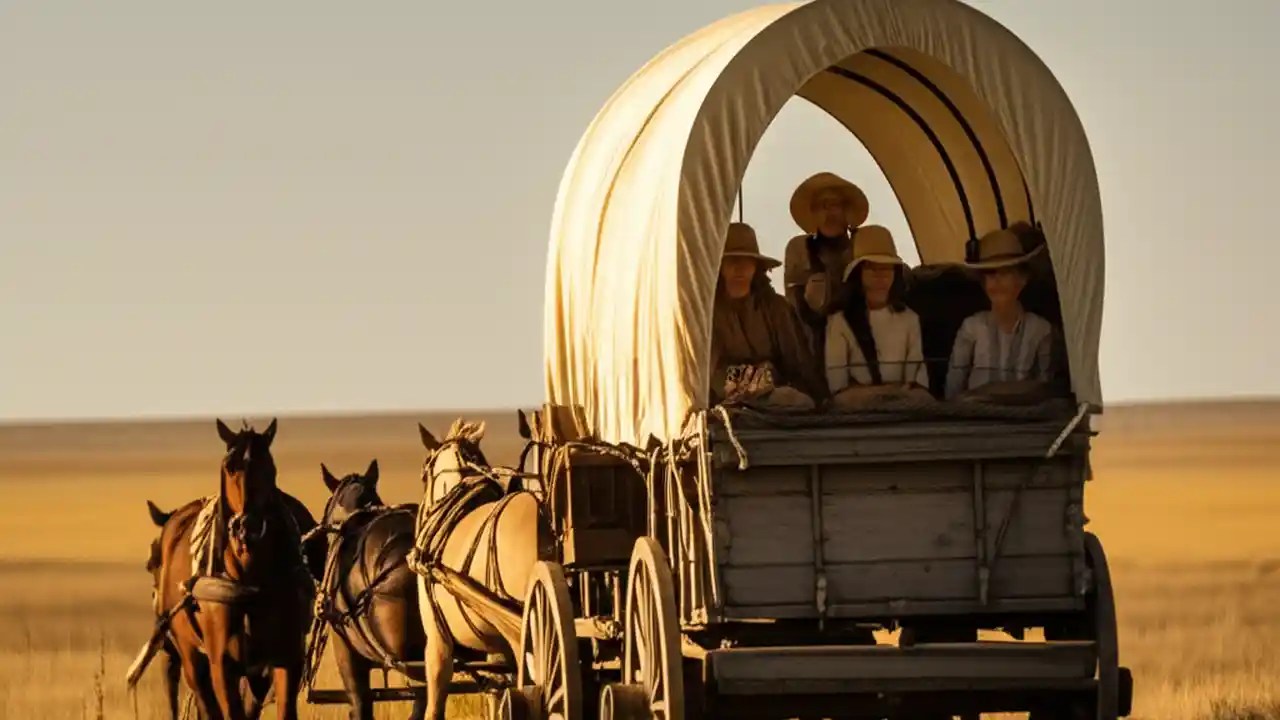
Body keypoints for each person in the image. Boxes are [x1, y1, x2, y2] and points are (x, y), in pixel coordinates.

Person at [710, 222, 825, 409]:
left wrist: (768, 378)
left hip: (775, 399)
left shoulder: (777, 309)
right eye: (732, 261)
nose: (739, 268)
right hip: (723, 404)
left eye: (746, 261)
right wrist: (740, 382)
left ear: (756, 266)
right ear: (720, 266)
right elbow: (708, 371)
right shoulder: (709, 314)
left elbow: (798, 364)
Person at [824, 225, 933, 408]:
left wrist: (899, 393)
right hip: (859, 402)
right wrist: (880, 393)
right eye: (871, 268)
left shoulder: (909, 318)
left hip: (901, 401)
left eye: (887, 268)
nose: (880, 276)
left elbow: (916, 378)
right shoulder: (840, 322)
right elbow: (837, 385)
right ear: (858, 274)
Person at [945, 227, 1059, 401]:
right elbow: (952, 391)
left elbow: (1046, 389)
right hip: (974, 415)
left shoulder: (1041, 330)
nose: (997, 281)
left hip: (1024, 416)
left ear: (1022, 279)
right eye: (990, 274)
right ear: (983, 283)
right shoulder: (971, 327)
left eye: (1005, 272)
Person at [782, 172, 871, 342]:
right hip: (810, 338)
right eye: (821, 206)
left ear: (847, 211)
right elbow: (794, 304)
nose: (829, 212)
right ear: (813, 213)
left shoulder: (862, 246)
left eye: (834, 205)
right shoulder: (799, 249)